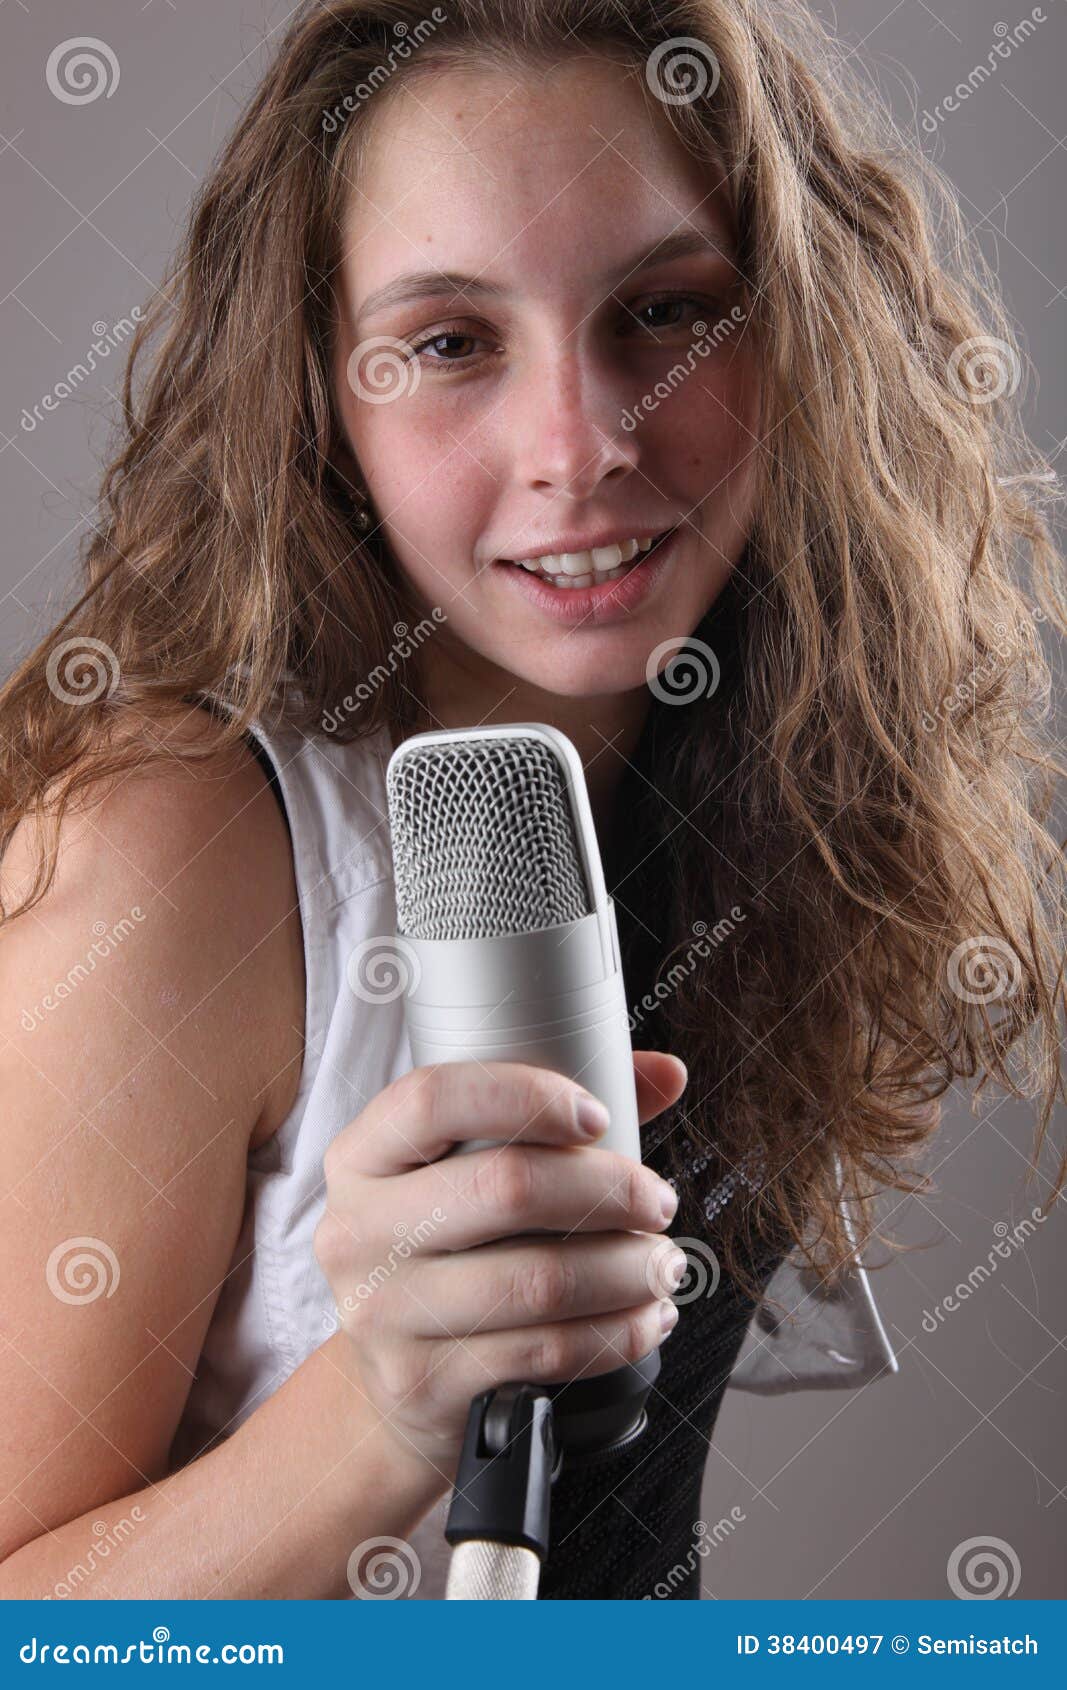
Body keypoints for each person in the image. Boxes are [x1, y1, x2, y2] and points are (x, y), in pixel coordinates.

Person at [0, 0, 1063, 1601]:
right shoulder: (181, 850)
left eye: (664, 312)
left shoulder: (757, 782)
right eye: (449, 340)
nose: (582, 444)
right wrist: (374, 1406)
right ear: (316, 390)